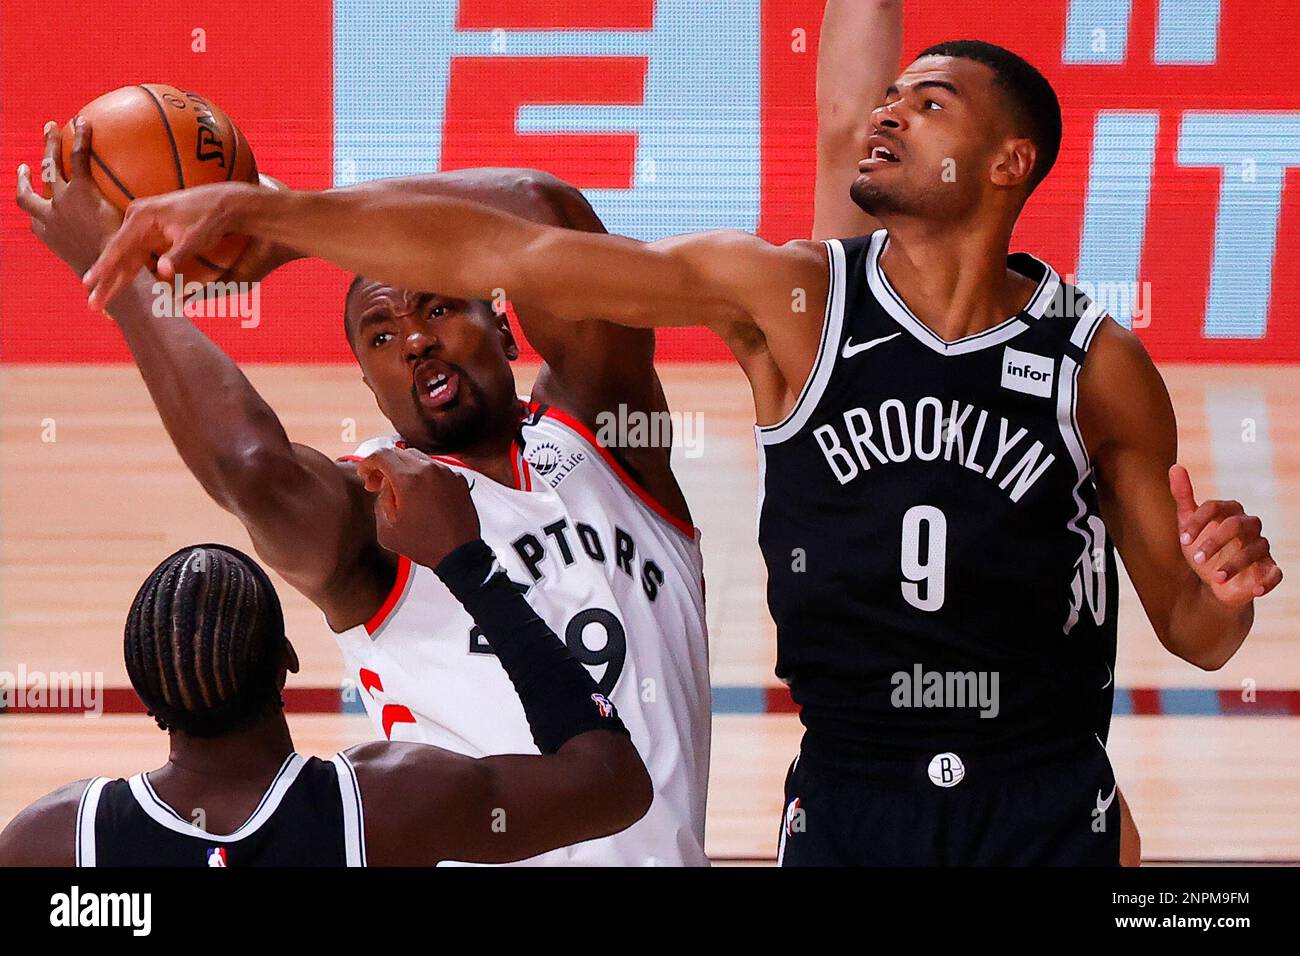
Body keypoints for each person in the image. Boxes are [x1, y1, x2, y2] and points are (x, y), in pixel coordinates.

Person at [80, 37, 1285, 866]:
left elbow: (1191, 627)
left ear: (1007, 161)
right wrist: (277, 215)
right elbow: (528, 252)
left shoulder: (1096, 359)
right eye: (889, 95)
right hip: (853, 789)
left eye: (928, 106)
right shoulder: (787, 298)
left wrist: (1221, 592)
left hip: (1039, 785)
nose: (884, 111)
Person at [0, 448, 651, 866]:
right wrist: (467, 563)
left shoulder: (56, 841)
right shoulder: (389, 802)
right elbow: (613, 784)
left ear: (144, 696)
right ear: (286, 659)